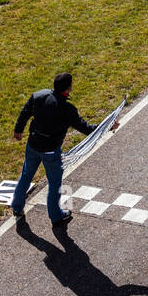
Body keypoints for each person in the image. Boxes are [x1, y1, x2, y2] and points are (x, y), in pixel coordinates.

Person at [10, 72, 118, 226]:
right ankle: (56, 216)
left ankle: (17, 206)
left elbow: (25, 112)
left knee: (26, 175)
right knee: (54, 184)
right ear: (68, 88)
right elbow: (86, 128)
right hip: (51, 152)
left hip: (32, 144)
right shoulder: (68, 109)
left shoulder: (38, 96)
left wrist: (18, 129)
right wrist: (108, 126)